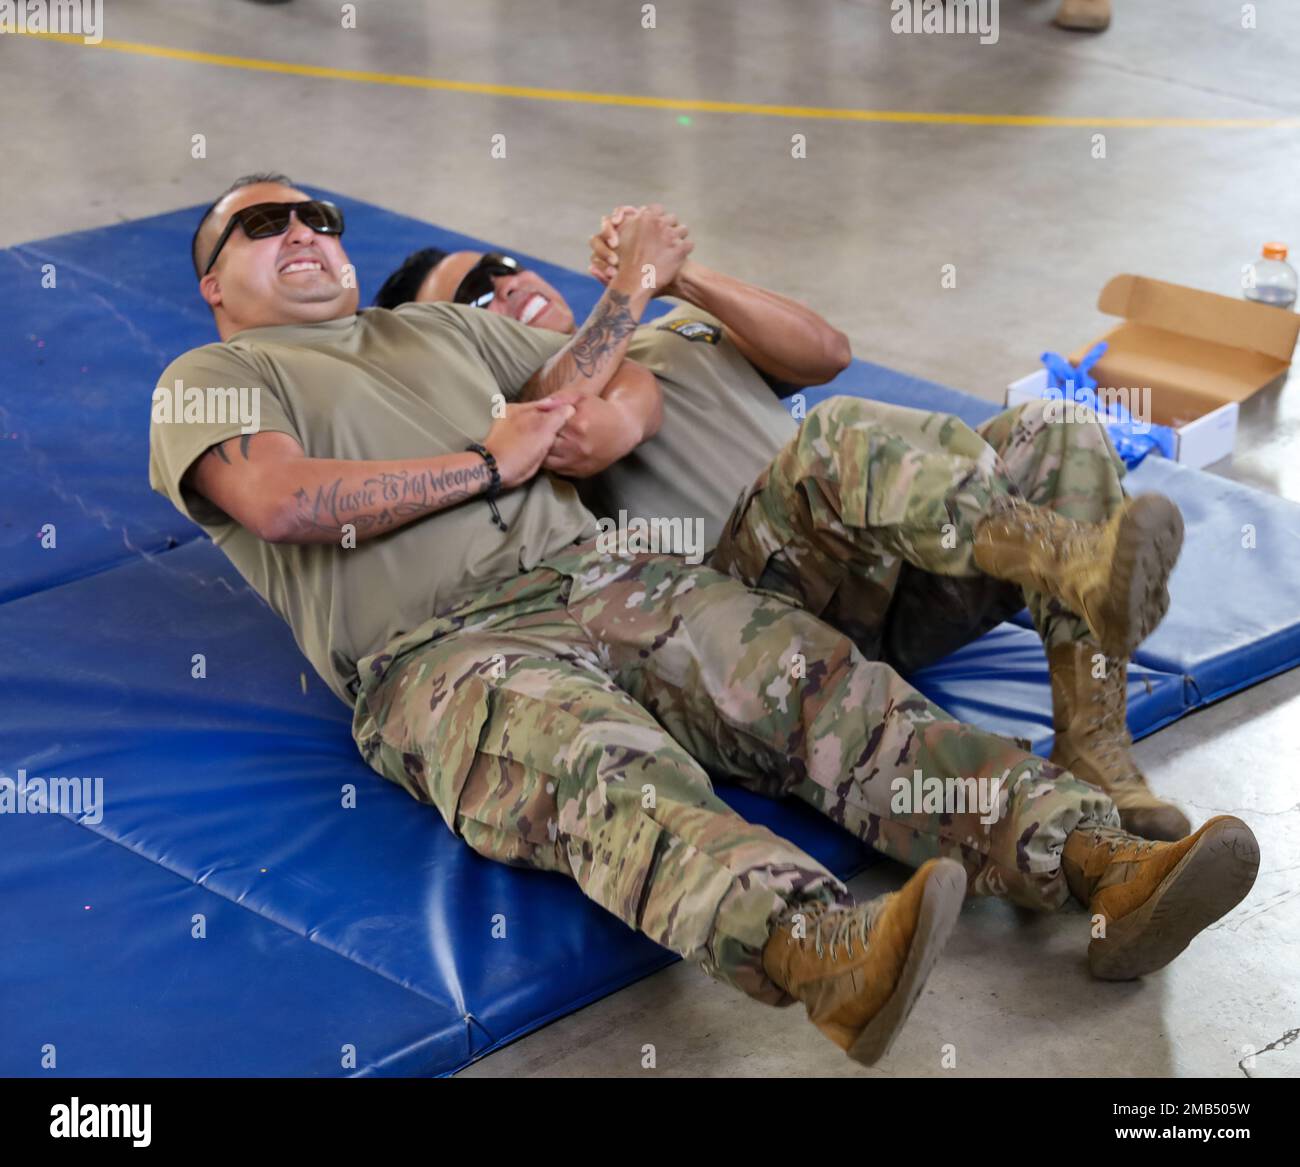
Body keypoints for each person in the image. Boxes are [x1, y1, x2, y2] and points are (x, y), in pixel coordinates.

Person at [149, 175, 1259, 1068]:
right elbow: (282, 501)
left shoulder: (442, 335)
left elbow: (579, 392)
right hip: (439, 648)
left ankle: (1098, 861)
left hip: (603, 574)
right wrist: (487, 460)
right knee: (601, 770)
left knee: (828, 694)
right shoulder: (213, 373)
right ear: (214, 281)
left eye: (317, 217)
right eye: (260, 224)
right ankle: (818, 951)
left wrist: (634, 293)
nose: (300, 231)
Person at [380, 204, 1190, 842]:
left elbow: (825, 350)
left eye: (502, 266)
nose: (505, 286)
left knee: (1056, 429)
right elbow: (583, 427)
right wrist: (631, 287)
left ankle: (1095, 741)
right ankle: (1068, 561)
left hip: (895, 563)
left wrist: (683, 278)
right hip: (760, 617)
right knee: (835, 439)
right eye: (472, 298)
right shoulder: (514, 418)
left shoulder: (670, 331)